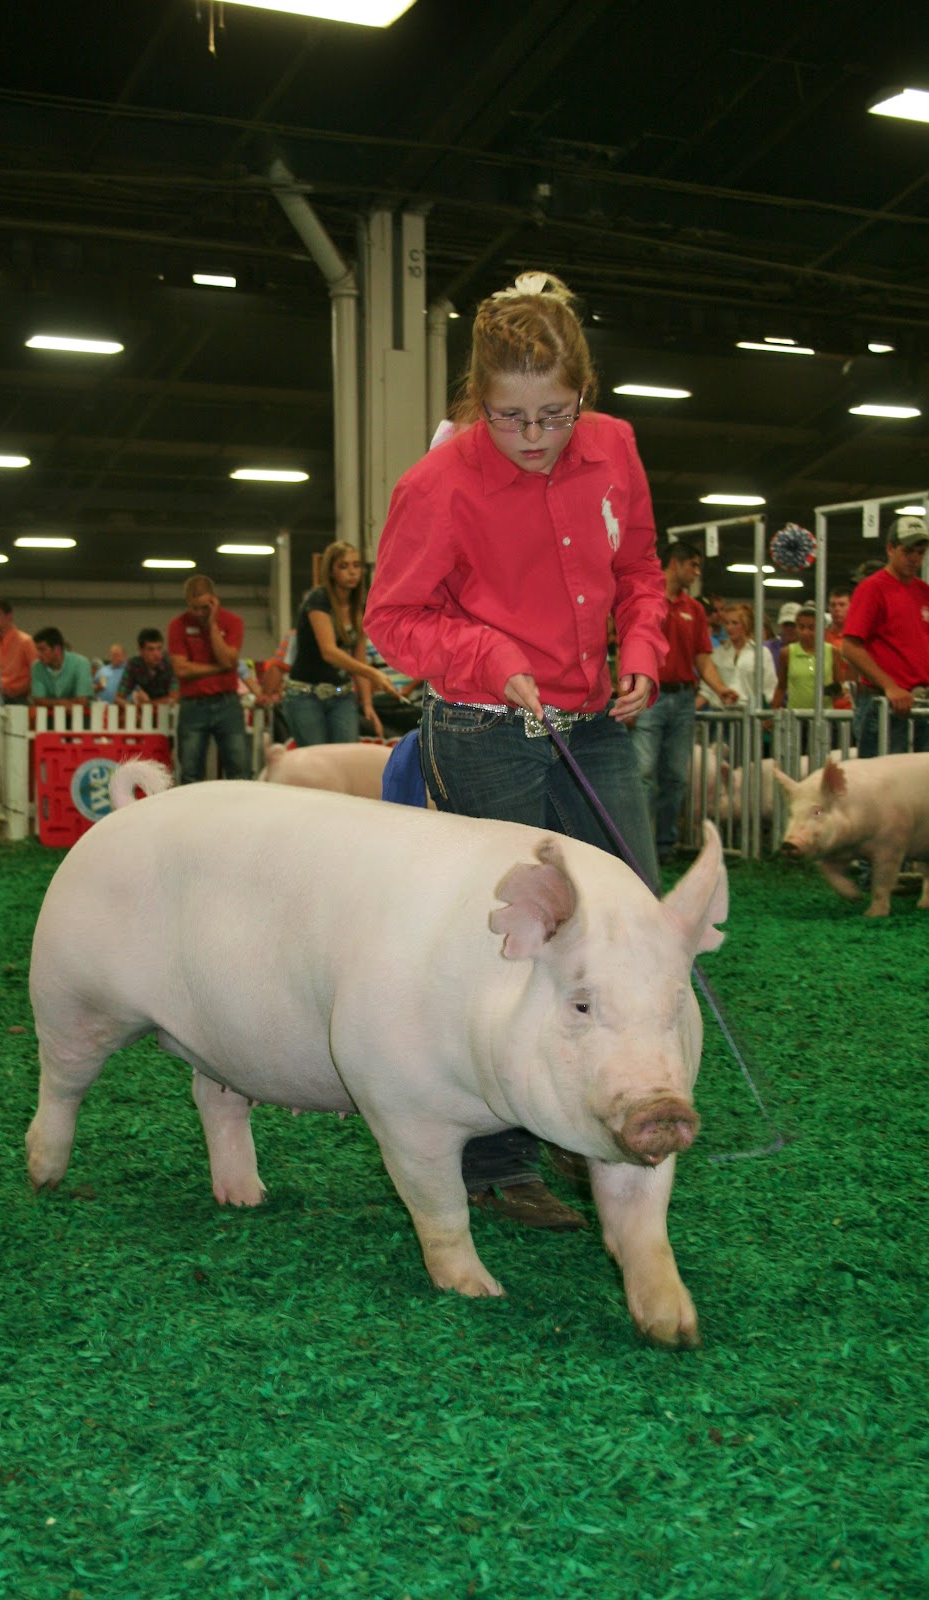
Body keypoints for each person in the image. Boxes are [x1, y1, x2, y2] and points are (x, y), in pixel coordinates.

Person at [365, 268, 667, 1231]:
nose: (535, 436)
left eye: (555, 414)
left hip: (592, 722)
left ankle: (603, 1112)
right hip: (483, 727)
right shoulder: (435, 484)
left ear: (584, 393)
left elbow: (640, 570)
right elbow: (392, 619)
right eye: (509, 417)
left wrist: (644, 650)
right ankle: (498, 1162)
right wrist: (491, 659)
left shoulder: (615, 446)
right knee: (506, 945)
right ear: (475, 400)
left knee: (629, 924)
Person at [626, 541, 739, 866]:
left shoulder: (696, 609)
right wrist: (629, 691)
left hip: (684, 698)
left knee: (675, 776)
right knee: (644, 773)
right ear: (675, 563)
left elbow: (702, 657)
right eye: (694, 565)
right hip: (650, 694)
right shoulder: (644, 598)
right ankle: (638, 846)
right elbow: (629, 645)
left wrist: (720, 688)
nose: (697, 572)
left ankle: (664, 845)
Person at [282, 541, 403, 746]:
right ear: (330, 571)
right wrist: (373, 673)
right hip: (305, 694)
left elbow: (359, 658)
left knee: (346, 753)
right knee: (319, 759)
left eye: (356, 565)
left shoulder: (359, 606)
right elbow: (329, 651)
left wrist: (367, 704)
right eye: (343, 566)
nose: (352, 572)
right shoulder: (318, 599)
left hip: (342, 694)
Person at [841, 515, 929, 758]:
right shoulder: (873, 588)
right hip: (884, 705)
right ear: (890, 549)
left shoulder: (924, 592)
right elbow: (849, 646)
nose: (915, 559)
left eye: (920, 553)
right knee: (883, 779)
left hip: (919, 704)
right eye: (908, 551)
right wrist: (891, 687)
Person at [167, 575, 249, 782]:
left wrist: (212, 626)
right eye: (194, 608)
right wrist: (219, 668)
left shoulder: (232, 622)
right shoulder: (177, 625)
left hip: (227, 703)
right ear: (187, 602)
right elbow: (181, 669)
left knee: (239, 768)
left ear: (214, 600)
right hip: (193, 705)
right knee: (190, 771)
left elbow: (228, 660)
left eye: (205, 607)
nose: (200, 613)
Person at [698, 602, 777, 710]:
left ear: (746, 625)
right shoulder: (717, 653)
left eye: (735, 623)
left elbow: (769, 689)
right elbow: (706, 690)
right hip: (720, 713)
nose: (729, 627)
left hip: (750, 714)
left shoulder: (761, 653)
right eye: (726, 623)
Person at [771, 604, 845, 713]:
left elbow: (841, 686)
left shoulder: (833, 652)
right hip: (795, 716)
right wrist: (772, 714)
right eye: (801, 627)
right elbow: (781, 687)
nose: (805, 632)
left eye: (811, 628)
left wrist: (834, 690)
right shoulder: (786, 653)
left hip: (824, 715)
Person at [0, 600, 37, 705]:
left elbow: (37, 673)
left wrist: (20, 690)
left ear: (9, 616)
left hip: (19, 697)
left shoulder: (26, 642)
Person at [30, 627, 94, 704]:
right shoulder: (37, 667)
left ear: (57, 649)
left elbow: (82, 701)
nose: (38, 654)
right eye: (37, 649)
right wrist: (62, 703)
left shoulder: (81, 663)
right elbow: (38, 700)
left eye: (42, 649)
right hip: (50, 712)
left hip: (80, 712)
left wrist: (50, 702)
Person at [116, 628, 178, 707]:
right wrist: (132, 707)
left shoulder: (170, 663)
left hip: (170, 711)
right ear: (141, 651)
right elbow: (118, 698)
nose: (156, 654)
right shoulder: (134, 665)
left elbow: (174, 699)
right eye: (151, 649)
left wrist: (146, 704)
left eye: (159, 648)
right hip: (145, 710)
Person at [825, 586, 855, 711]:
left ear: (851, 607)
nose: (837, 609)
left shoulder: (858, 639)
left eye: (842, 605)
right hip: (825, 704)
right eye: (833, 605)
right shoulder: (820, 637)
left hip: (851, 704)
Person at [765, 601, 800, 671]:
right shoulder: (767, 648)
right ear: (780, 625)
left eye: (793, 624)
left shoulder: (809, 650)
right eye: (786, 624)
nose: (789, 628)